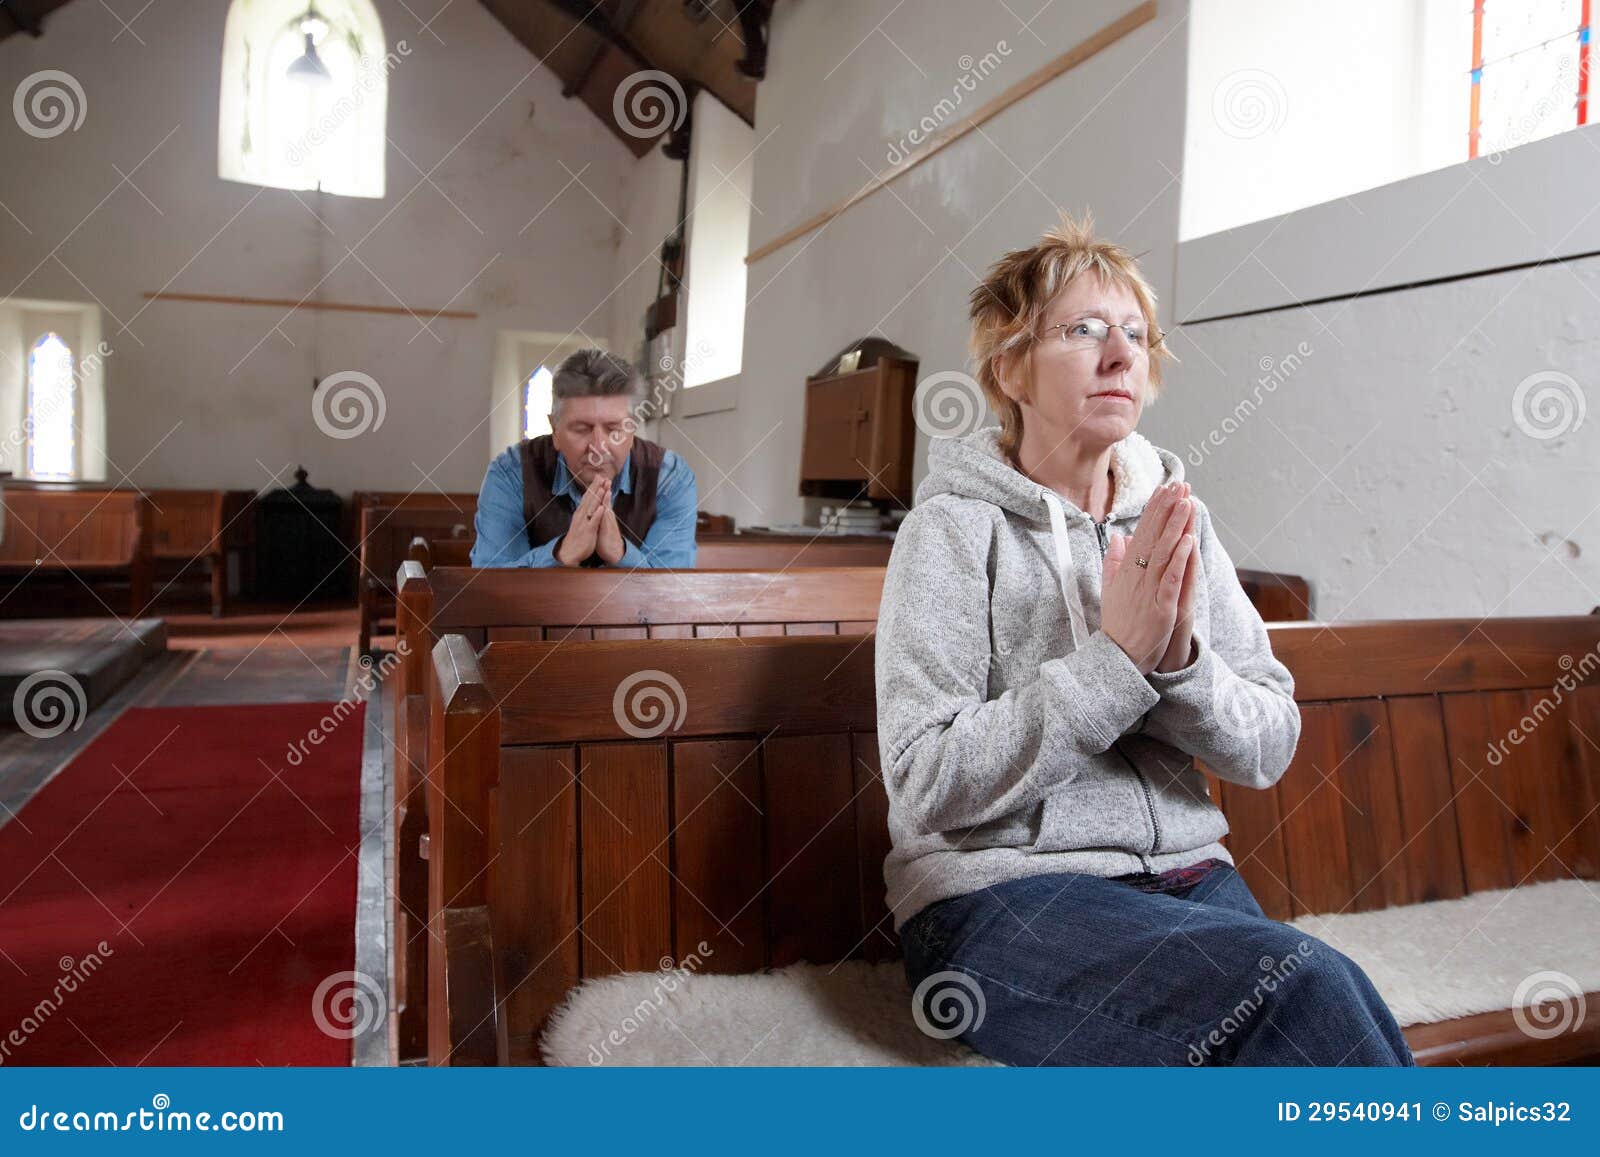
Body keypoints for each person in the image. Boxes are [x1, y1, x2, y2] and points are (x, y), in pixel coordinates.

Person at [876, 212, 1414, 1067]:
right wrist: (1115, 666)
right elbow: (925, 781)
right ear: (1009, 366)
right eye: (1084, 330)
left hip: (1190, 881)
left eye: (1135, 333)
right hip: (1003, 901)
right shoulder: (948, 532)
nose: (1121, 354)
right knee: (1298, 991)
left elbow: (1269, 741)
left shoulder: (1176, 520)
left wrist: (1179, 667)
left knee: (1328, 995)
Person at [470, 348, 697, 568]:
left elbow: (671, 591)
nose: (598, 448)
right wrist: (561, 554)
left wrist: (620, 553)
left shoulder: (670, 478)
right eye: (581, 429)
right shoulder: (511, 471)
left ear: (632, 428)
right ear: (555, 430)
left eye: (614, 430)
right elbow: (492, 584)